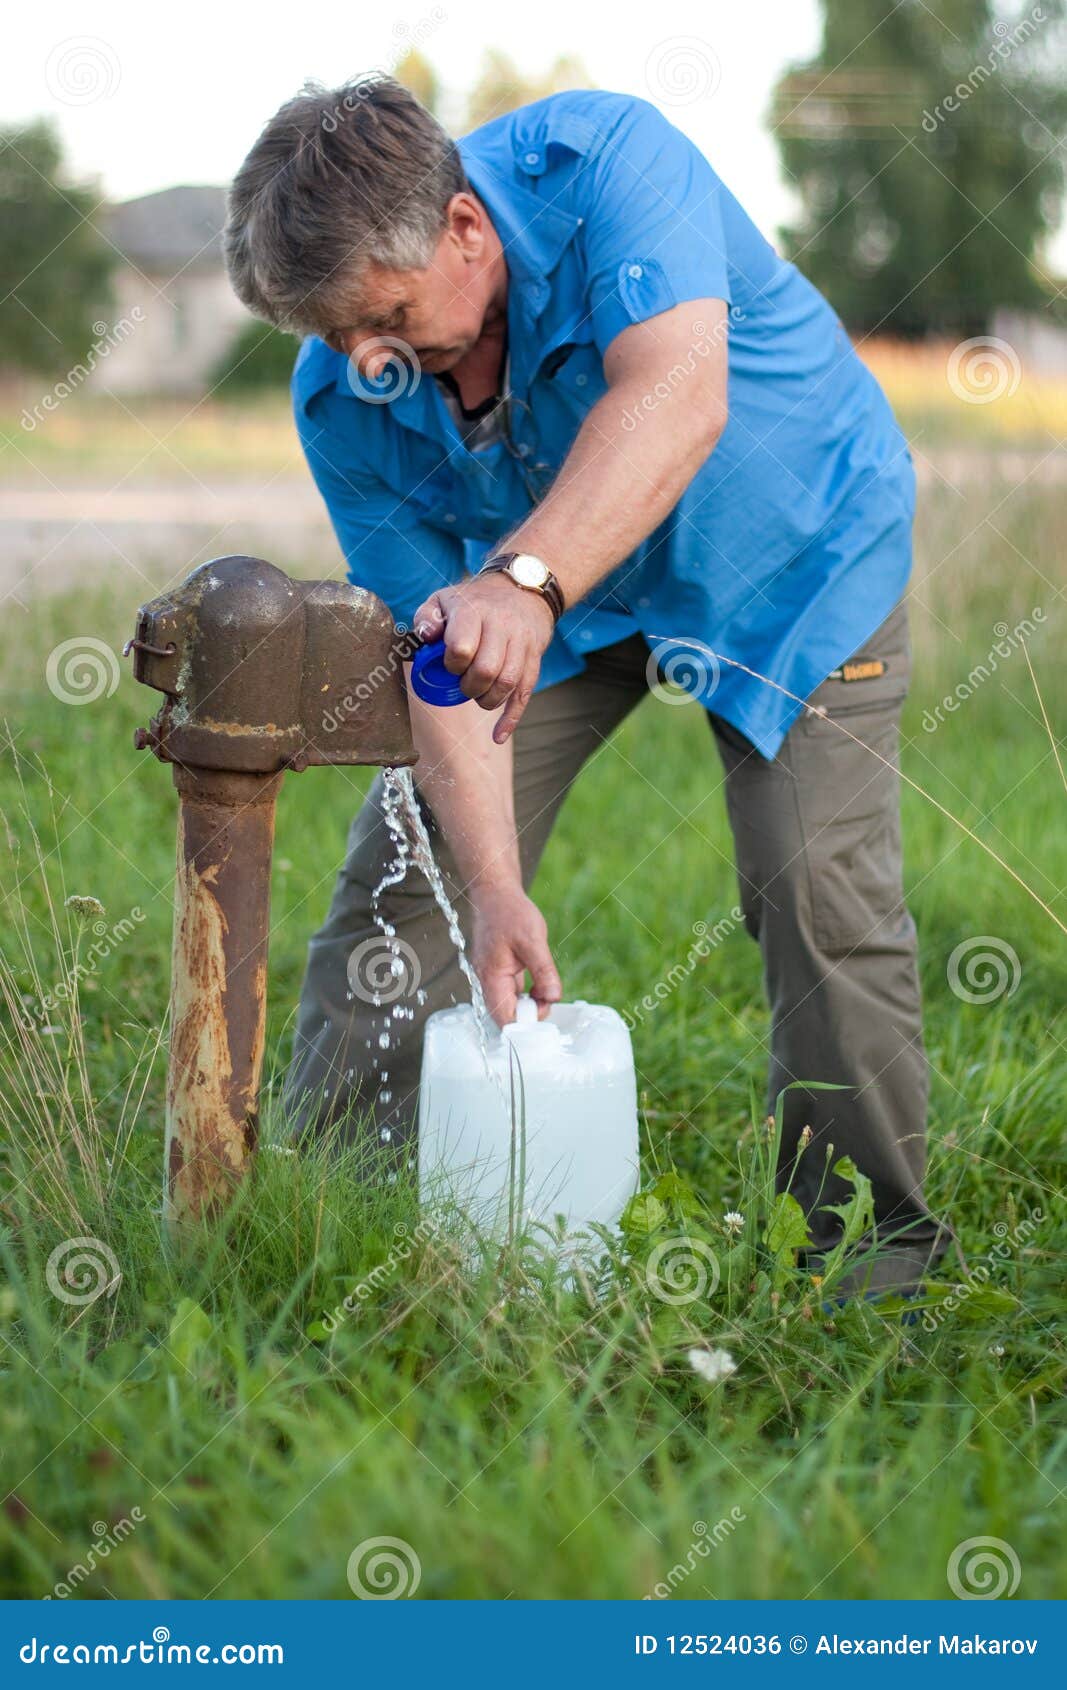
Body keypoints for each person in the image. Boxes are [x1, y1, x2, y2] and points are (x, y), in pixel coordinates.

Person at [225, 76, 947, 1293]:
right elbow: (446, 680)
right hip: (553, 599)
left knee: (814, 889)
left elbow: (676, 393)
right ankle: (329, 1242)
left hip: (794, 557)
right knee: (414, 880)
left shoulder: (611, 161)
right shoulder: (342, 398)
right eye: (332, 335)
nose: (365, 361)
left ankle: (869, 1271)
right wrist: (495, 889)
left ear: (464, 228)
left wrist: (523, 576)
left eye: (387, 316)